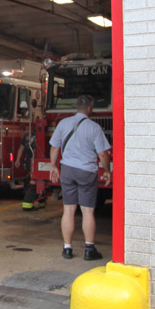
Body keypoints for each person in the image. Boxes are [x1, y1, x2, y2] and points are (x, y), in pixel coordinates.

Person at [48, 95, 111, 260]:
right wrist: (107, 170)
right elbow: (103, 153)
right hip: (86, 172)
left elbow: (54, 148)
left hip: (67, 170)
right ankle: (89, 249)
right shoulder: (94, 128)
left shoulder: (63, 124)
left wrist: (53, 166)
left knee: (68, 210)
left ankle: (67, 248)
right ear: (90, 108)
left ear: (77, 107)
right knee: (87, 211)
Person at [14, 129, 46, 211]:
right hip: (36, 161)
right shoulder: (42, 135)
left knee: (36, 181)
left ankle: (42, 202)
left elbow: (21, 148)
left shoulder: (27, 135)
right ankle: (28, 203)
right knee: (34, 182)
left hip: (30, 162)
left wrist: (17, 160)